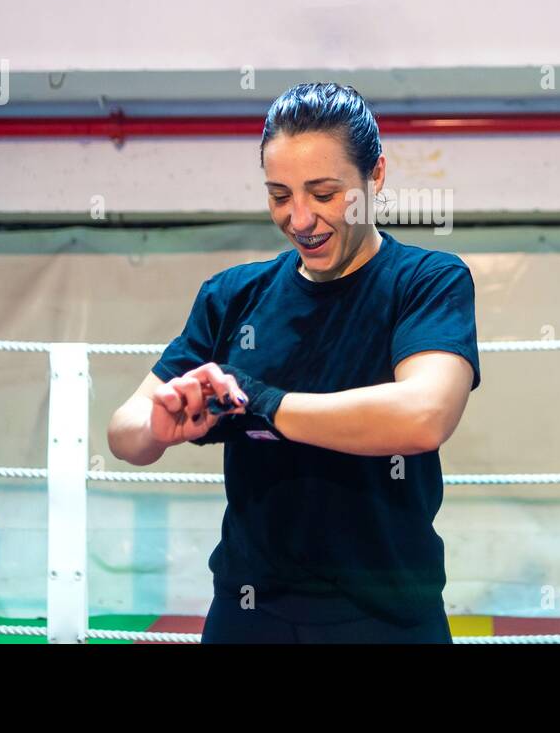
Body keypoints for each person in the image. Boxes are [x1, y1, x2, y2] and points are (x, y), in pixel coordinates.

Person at [107, 81, 481, 643]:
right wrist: (159, 425)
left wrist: (260, 404)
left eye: (324, 193)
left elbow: (423, 415)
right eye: (279, 195)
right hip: (250, 610)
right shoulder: (233, 294)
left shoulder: (426, 282)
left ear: (375, 176)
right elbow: (124, 432)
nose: (299, 218)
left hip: (386, 615)